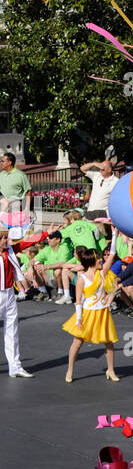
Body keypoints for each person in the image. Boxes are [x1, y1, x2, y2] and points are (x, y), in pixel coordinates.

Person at [62, 235, 121, 382]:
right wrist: (79, 319)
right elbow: (78, 301)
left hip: (103, 313)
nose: (101, 259)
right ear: (92, 261)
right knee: (77, 342)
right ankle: (70, 370)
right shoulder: (82, 278)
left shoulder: (102, 273)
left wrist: (114, 235)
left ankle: (111, 370)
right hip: (88, 313)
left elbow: (112, 254)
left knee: (109, 342)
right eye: (99, 258)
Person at [0, 231, 34, 377]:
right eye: (4, 238)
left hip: (9, 294)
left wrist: (47, 233)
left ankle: (15, 367)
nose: (7, 240)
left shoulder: (10, 251)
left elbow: (27, 243)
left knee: (12, 330)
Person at [80, 154, 119, 224]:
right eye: (100, 169)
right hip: (90, 212)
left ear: (109, 170)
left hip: (102, 215)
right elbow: (82, 169)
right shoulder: (97, 175)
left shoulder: (116, 181)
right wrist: (94, 164)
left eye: (103, 169)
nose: (100, 171)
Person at [0, 152, 32, 216]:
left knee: (13, 224)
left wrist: (27, 208)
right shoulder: (1, 174)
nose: (1, 163)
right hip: (3, 203)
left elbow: (28, 191)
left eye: (3, 161)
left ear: (10, 162)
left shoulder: (20, 175)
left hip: (15, 204)